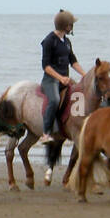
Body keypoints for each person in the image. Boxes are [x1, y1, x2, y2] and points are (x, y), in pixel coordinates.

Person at [40, 9, 85, 137]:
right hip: (50, 80)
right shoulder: (49, 41)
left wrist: (84, 75)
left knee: (80, 94)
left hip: (64, 79)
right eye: (71, 24)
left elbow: (73, 62)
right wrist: (60, 78)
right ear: (66, 26)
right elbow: (46, 66)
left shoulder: (66, 41)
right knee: (54, 100)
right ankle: (46, 133)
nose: (72, 27)